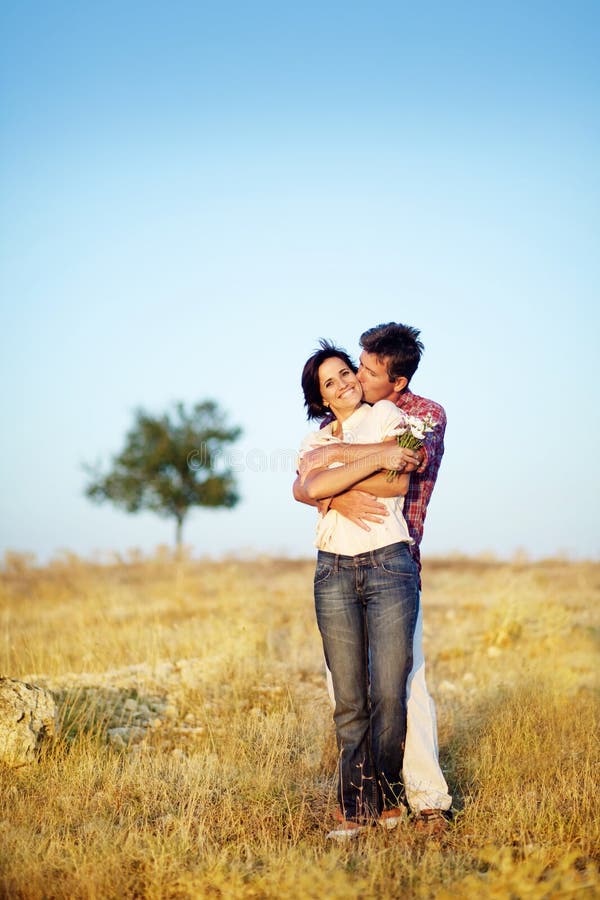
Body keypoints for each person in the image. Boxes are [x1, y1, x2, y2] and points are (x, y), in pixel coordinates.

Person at [294, 322, 452, 835]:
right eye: (334, 380)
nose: (348, 381)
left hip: (391, 560)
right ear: (319, 397)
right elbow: (304, 486)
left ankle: (401, 796)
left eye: (353, 371)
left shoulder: (402, 415)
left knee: (394, 690)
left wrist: (336, 471)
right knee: (349, 698)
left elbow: (398, 478)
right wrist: (344, 473)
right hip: (333, 568)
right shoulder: (315, 437)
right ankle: (358, 804)